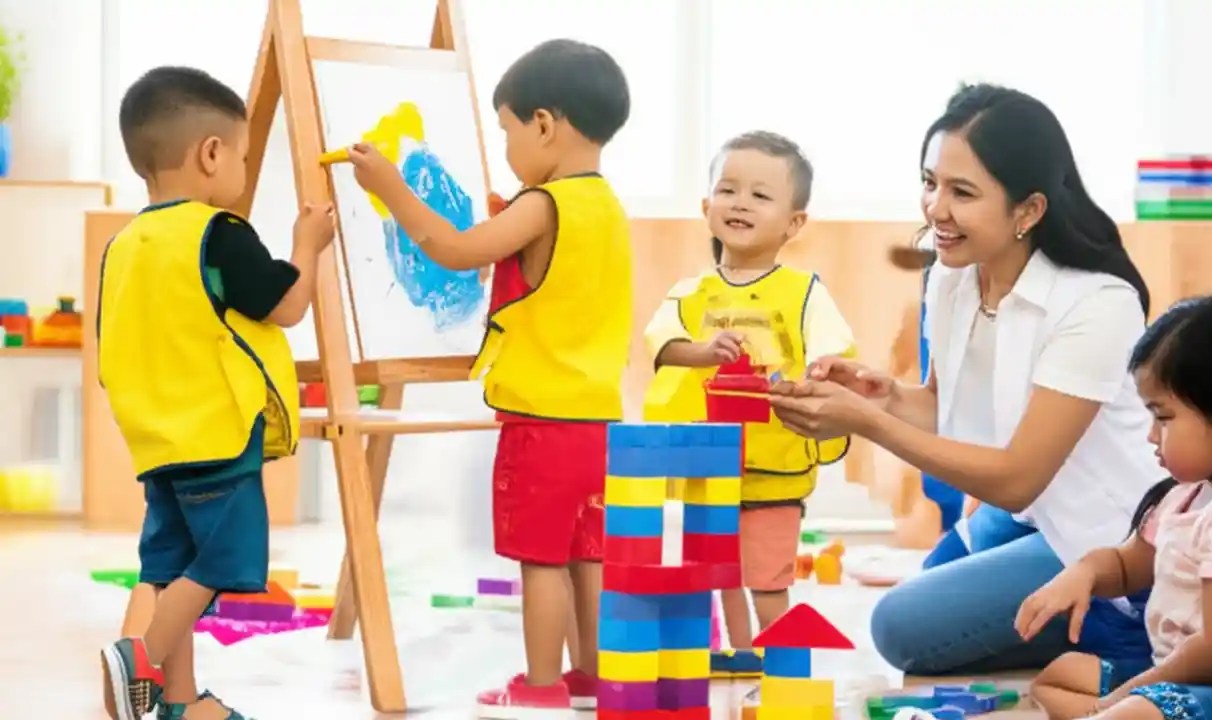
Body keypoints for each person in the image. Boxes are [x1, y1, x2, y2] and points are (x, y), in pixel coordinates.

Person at [768, 83, 1165, 675]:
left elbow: (1017, 479)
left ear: (1028, 210)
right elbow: (950, 409)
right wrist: (880, 394)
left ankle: (1132, 626)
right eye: (930, 183)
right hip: (1031, 516)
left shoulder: (1096, 304)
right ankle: (1072, 615)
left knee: (901, 628)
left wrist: (868, 424)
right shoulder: (953, 278)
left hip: (1106, 531)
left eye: (962, 193)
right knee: (937, 587)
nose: (935, 209)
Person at [346, 39, 631, 714]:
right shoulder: (606, 207)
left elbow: (451, 250)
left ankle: (539, 686)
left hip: (541, 421)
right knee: (585, 553)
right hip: (597, 422)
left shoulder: (543, 204)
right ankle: (589, 675)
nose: (506, 147)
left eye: (507, 130)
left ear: (544, 124)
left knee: (540, 559)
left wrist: (391, 188)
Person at [98, 66, 334, 720]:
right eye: (244, 158)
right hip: (218, 437)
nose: (243, 173)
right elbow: (286, 305)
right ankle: (138, 655)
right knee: (227, 557)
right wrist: (305, 245)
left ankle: (181, 702)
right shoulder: (217, 233)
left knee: (171, 566)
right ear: (210, 154)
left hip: (156, 444)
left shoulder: (123, 246)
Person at [642, 131, 856, 668]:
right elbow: (662, 346)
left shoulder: (805, 291)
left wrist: (808, 374)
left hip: (774, 462)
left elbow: (832, 354)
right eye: (728, 189)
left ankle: (781, 662)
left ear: (794, 222)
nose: (740, 203)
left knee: (766, 573)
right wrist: (702, 350)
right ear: (706, 206)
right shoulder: (689, 292)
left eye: (761, 195)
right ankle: (737, 653)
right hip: (706, 460)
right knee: (715, 569)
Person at [1019, 294, 1212, 720]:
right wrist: (1083, 573)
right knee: (1059, 676)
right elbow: (1127, 566)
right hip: (1187, 675)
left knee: (1132, 710)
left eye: (1164, 417)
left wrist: (1128, 694)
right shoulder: (1183, 497)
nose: (1150, 435)